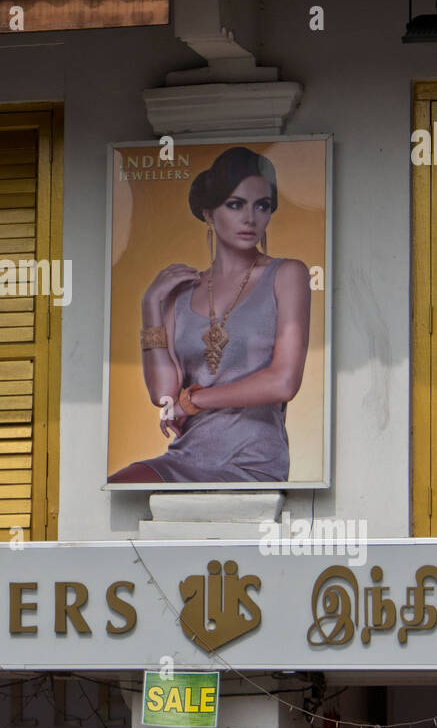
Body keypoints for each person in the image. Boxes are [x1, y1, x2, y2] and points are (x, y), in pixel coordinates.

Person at [108, 146, 310, 484]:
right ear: (208, 213)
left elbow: (283, 382)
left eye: (261, 205)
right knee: (120, 488)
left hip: (252, 459)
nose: (250, 218)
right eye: (235, 205)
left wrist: (194, 401)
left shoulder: (288, 275)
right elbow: (164, 395)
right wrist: (150, 307)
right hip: (187, 455)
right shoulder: (182, 292)